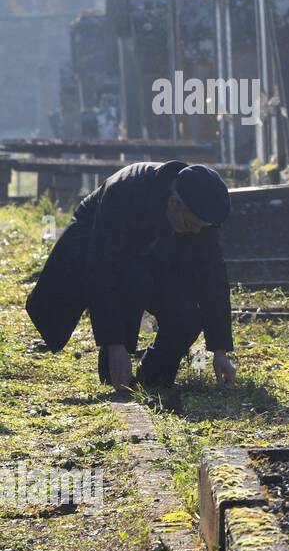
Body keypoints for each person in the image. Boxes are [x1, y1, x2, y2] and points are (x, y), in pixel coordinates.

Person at [25, 161, 238, 390]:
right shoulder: (125, 192)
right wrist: (115, 345)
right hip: (97, 247)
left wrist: (219, 349)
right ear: (174, 203)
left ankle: (155, 374)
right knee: (134, 282)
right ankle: (114, 368)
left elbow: (213, 277)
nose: (196, 231)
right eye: (191, 224)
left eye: (201, 227)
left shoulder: (200, 211)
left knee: (186, 312)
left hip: (154, 253)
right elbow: (103, 271)